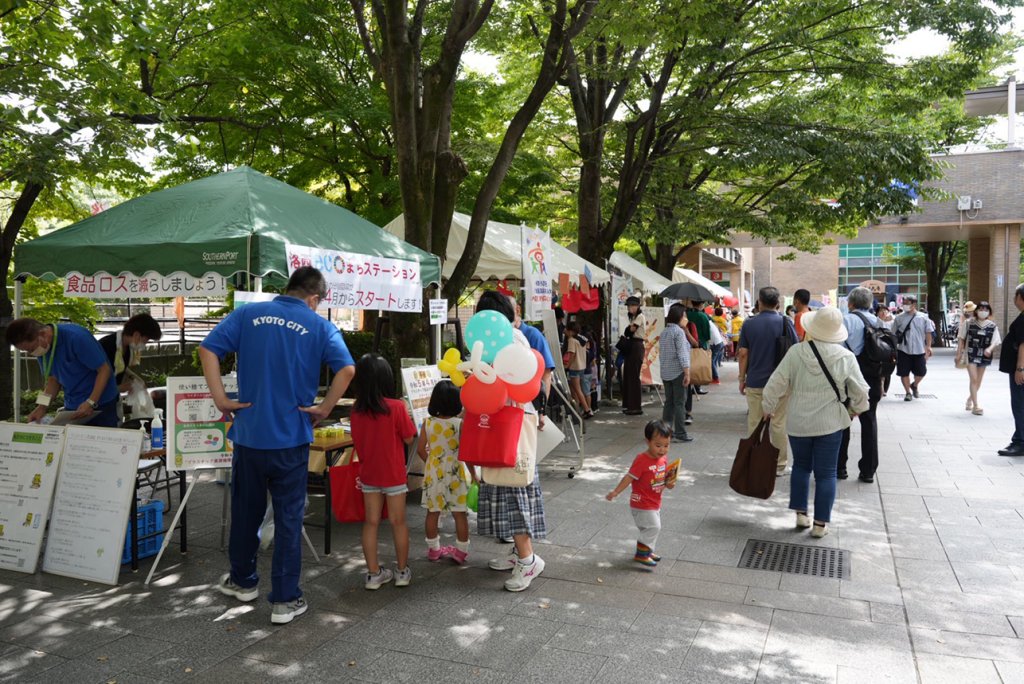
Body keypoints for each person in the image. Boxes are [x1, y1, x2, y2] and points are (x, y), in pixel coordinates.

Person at [199, 266, 355, 624]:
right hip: (292, 438)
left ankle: (243, 581)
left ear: (289, 288)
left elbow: (208, 349)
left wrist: (221, 399)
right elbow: (347, 370)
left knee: (246, 511)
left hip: (250, 435)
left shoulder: (249, 314)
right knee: (288, 519)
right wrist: (325, 408)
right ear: (314, 297)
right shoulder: (320, 326)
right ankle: (285, 600)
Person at [762, 307, 869, 538]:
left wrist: (767, 407)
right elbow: (861, 391)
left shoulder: (796, 352)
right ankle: (820, 524)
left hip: (799, 421)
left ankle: (801, 514)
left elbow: (775, 383)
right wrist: (854, 410)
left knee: (801, 466)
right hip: (830, 422)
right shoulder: (846, 357)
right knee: (827, 473)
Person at [474, 291, 548, 592]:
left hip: (511, 426)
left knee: (514, 491)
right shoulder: (501, 339)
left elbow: (511, 382)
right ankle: (519, 553)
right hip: (502, 422)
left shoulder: (512, 340)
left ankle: (529, 561)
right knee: (503, 491)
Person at [350, 353, 417, 590]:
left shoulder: (356, 411)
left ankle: (373, 574)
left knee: (371, 523)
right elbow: (409, 439)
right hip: (394, 474)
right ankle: (401, 571)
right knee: (398, 522)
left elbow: (358, 443)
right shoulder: (397, 407)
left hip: (369, 474)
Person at [7, 317, 120, 427]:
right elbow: (53, 380)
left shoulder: (76, 337)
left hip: (101, 402)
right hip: (73, 404)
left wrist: (91, 402)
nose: (31, 353)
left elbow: (104, 370)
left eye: (31, 349)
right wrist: (41, 407)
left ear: (43, 334)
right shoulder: (42, 348)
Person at [738, 287, 799, 475]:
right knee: (779, 423)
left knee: (755, 422)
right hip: (780, 382)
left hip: (755, 381)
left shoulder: (749, 324)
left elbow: (742, 353)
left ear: (760, 302)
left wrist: (742, 378)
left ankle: (754, 461)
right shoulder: (785, 322)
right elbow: (795, 351)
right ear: (778, 303)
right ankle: (779, 465)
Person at [605, 420, 676, 567]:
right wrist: (616, 492)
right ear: (647, 442)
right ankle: (641, 554)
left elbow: (664, 480)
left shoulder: (663, 459)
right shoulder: (641, 460)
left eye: (666, 445)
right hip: (641, 502)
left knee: (651, 527)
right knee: (653, 527)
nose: (662, 450)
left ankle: (647, 551)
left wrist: (669, 483)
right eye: (658, 445)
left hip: (655, 501)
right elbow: (629, 477)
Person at [418, 380, 472, 563]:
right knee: (459, 513)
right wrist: (475, 474)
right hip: (456, 471)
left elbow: (420, 449)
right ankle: (461, 551)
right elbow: (466, 451)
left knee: (433, 512)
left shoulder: (428, 423)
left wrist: (432, 463)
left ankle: (434, 550)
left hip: (434, 471)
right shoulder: (460, 424)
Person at [838, 287, 884, 483]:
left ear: (851, 303)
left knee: (842, 420)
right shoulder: (879, 322)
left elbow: (837, 351)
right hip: (872, 377)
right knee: (869, 420)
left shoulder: (845, 321)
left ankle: (839, 467)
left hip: (849, 377)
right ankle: (868, 470)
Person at [99, 313, 163, 393]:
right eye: (146, 340)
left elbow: (120, 366)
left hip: (112, 397)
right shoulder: (107, 345)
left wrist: (135, 378)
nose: (145, 344)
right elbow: (97, 378)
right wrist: (119, 388)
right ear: (136, 335)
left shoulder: (128, 347)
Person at [958, 301, 1002, 416]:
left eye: (986, 310)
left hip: (984, 356)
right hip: (971, 354)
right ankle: (976, 406)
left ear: (989, 312)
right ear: (976, 311)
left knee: (978, 382)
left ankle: (969, 399)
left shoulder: (992, 326)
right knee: (974, 379)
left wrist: (990, 349)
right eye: (981, 309)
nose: (983, 312)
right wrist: (959, 354)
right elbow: (961, 338)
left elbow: (996, 340)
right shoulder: (968, 323)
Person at [658, 304, 692, 443]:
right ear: (679, 317)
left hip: (666, 372)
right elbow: (682, 354)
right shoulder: (678, 332)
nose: (686, 318)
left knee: (669, 403)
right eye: (684, 315)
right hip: (678, 372)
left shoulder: (664, 332)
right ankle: (680, 432)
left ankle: (666, 431)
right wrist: (687, 373)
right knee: (679, 403)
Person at [893, 295, 934, 401]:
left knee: (921, 372)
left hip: (919, 349)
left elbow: (928, 332)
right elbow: (893, 334)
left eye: (907, 303)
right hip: (903, 349)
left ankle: (914, 385)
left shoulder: (923, 317)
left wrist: (928, 347)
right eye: (904, 303)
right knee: (903, 372)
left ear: (914, 304)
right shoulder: (899, 318)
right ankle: (908, 393)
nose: (905, 305)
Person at [999, 284, 1024, 456]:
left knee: (1020, 404)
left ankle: (1020, 442)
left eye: (1016, 296)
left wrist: (1020, 368)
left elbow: (1023, 343)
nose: (1014, 299)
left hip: (1020, 369)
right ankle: (1019, 438)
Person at [621, 296, 646, 415]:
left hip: (636, 346)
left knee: (634, 376)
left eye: (632, 305)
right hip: (632, 346)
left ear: (637, 306)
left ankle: (635, 406)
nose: (630, 308)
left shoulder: (640, 317)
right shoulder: (634, 317)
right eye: (629, 306)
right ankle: (628, 404)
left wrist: (628, 330)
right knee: (628, 374)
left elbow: (631, 330)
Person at [564, 321, 594, 418]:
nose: (565, 332)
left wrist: (567, 366)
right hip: (582, 367)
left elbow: (572, 354)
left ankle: (587, 410)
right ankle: (577, 410)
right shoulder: (582, 338)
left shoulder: (572, 340)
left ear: (571, 331)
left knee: (577, 390)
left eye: (567, 330)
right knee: (575, 389)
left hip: (575, 367)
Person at [876, 306, 896, 395]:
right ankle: (880, 388)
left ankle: (885, 388)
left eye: (885, 310)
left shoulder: (893, 321)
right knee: (879, 368)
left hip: (890, 348)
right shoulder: (875, 321)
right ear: (877, 313)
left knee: (888, 368)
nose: (883, 312)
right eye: (881, 311)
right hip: (878, 347)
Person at [708, 319, 725, 385]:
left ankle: (716, 378)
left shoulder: (707, 324)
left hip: (715, 343)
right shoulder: (711, 323)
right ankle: (714, 377)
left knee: (711, 361)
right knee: (714, 361)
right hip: (719, 342)